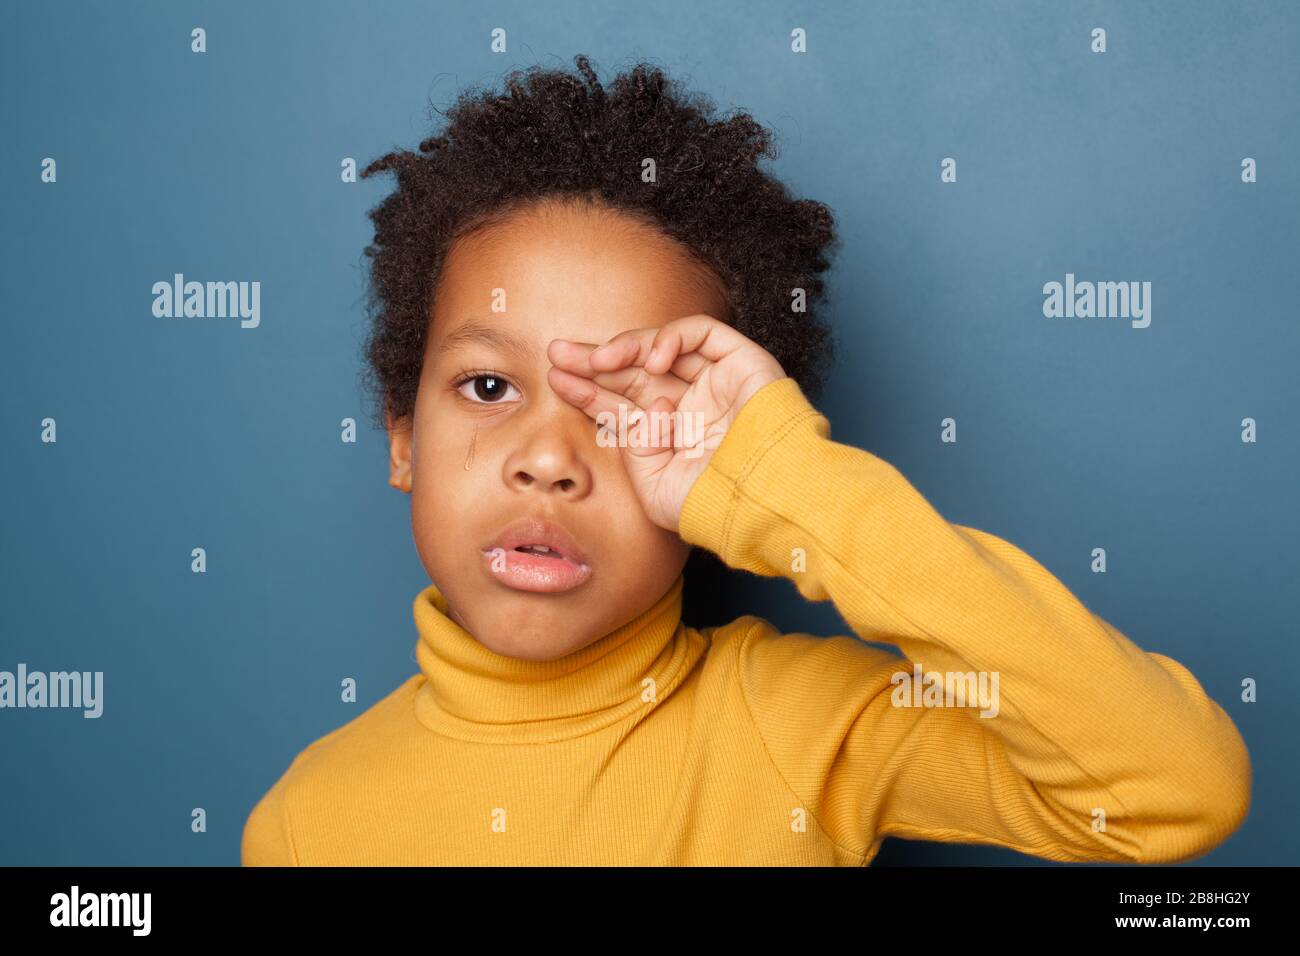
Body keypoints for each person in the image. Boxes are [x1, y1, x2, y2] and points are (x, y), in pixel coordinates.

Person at [241, 55, 1250, 866]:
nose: (548, 459)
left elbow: (1172, 791)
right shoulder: (303, 822)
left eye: (619, 408)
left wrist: (783, 482)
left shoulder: (803, 727)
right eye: (488, 387)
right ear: (402, 436)